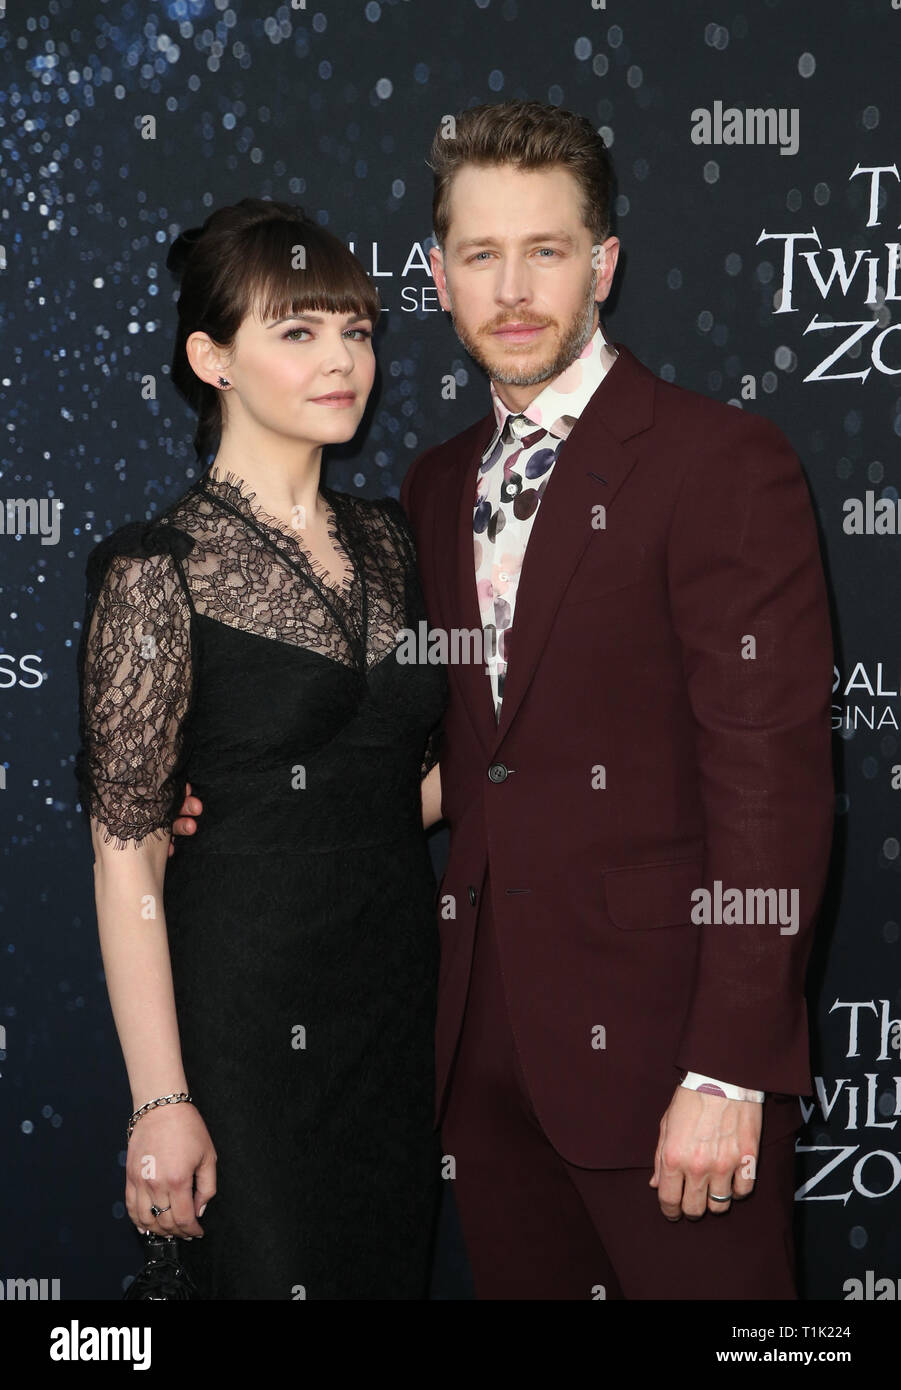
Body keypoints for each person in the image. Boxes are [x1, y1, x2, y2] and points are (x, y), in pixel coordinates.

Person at [174, 101, 835, 1300]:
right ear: (437, 276)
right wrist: (253, 807)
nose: (514, 287)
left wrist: (731, 1069)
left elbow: (772, 787)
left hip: (668, 1066)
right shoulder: (427, 491)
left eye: (547, 250)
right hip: (480, 1065)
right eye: (481, 254)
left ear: (605, 265)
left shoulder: (719, 463)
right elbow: (453, 758)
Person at [76, 198, 447, 1300]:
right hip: (240, 1020)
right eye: (299, 331)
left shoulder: (394, 540)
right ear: (212, 357)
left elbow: (403, 786)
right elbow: (126, 852)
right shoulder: (158, 570)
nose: (343, 360)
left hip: (393, 1016)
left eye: (357, 329)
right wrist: (160, 1097)